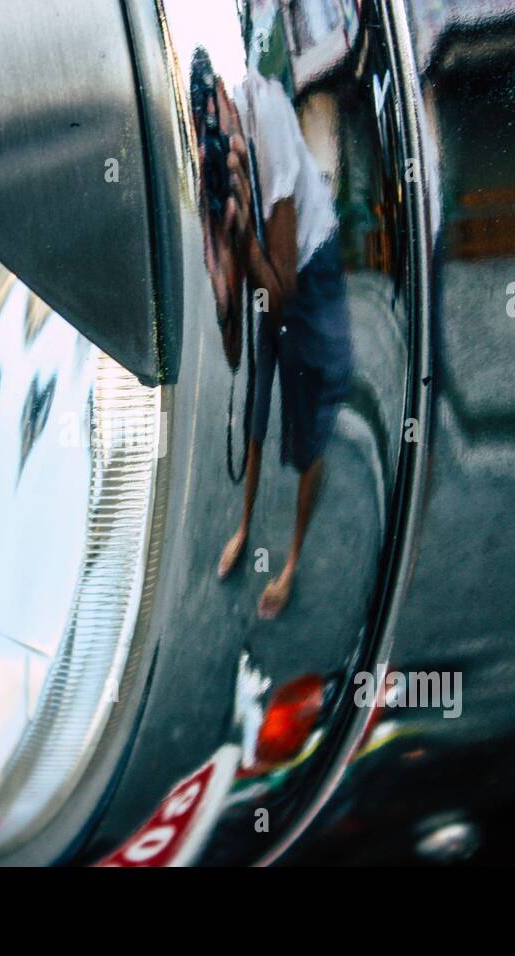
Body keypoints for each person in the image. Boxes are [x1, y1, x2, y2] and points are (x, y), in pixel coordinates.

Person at [193, 50, 353, 620]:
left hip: (307, 271)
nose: (219, 139)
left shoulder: (271, 116)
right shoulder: (213, 162)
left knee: (307, 429)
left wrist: (245, 241)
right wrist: (229, 231)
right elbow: (238, 356)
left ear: (226, 95)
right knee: (260, 402)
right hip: (271, 266)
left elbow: (280, 289)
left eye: (219, 119)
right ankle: (244, 525)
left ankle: (292, 561)